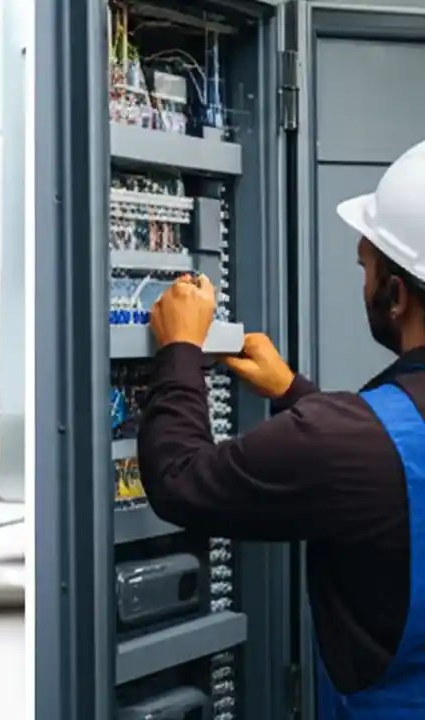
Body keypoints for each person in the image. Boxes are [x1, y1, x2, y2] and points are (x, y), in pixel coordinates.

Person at [141, 139, 425, 717]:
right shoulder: (354, 438)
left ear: (395, 295)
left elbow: (179, 479)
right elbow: (389, 466)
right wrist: (294, 394)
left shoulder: (345, 439)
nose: (364, 282)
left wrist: (179, 349)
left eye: (366, 266)